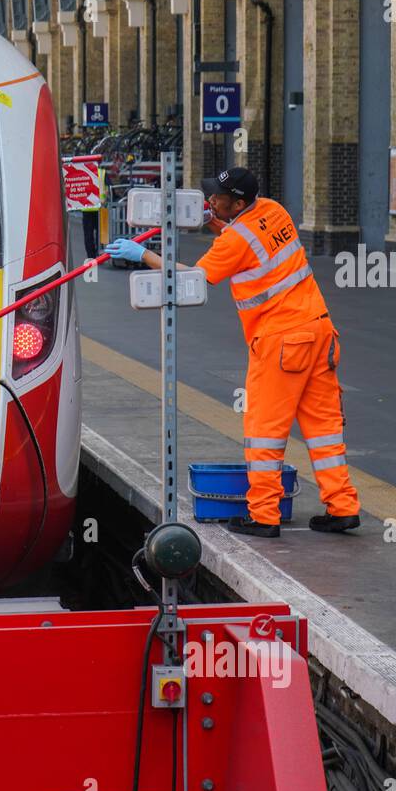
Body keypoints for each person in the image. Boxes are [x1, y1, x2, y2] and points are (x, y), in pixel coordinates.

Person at [105, 166, 361, 538]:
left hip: (281, 343)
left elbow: (192, 279)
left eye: (217, 198)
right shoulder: (274, 210)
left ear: (238, 203)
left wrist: (142, 254)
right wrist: (212, 220)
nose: (210, 201)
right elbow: (246, 238)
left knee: (264, 432)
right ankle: (343, 508)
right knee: (324, 429)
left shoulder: (234, 242)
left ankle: (264, 515)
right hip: (320, 331)